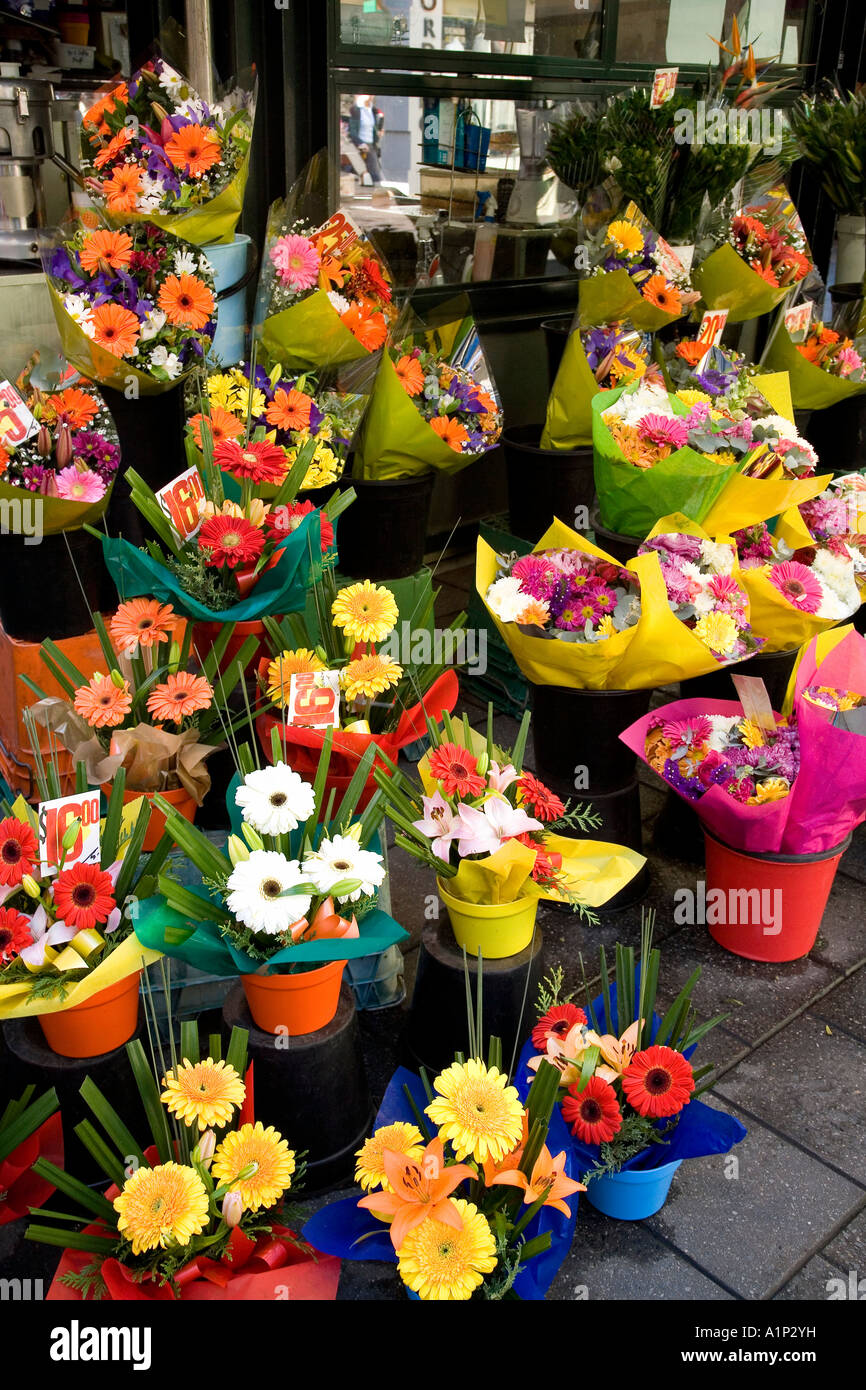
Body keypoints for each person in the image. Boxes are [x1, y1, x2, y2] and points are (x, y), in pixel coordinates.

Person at [348, 95, 385, 185]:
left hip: (370, 145)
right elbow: (352, 131)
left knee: (374, 173)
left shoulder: (374, 111)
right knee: (359, 172)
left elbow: (374, 131)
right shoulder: (356, 110)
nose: (370, 97)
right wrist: (360, 143)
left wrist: (378, 134)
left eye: (372, 95)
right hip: (358, 144)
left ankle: (375, 188)